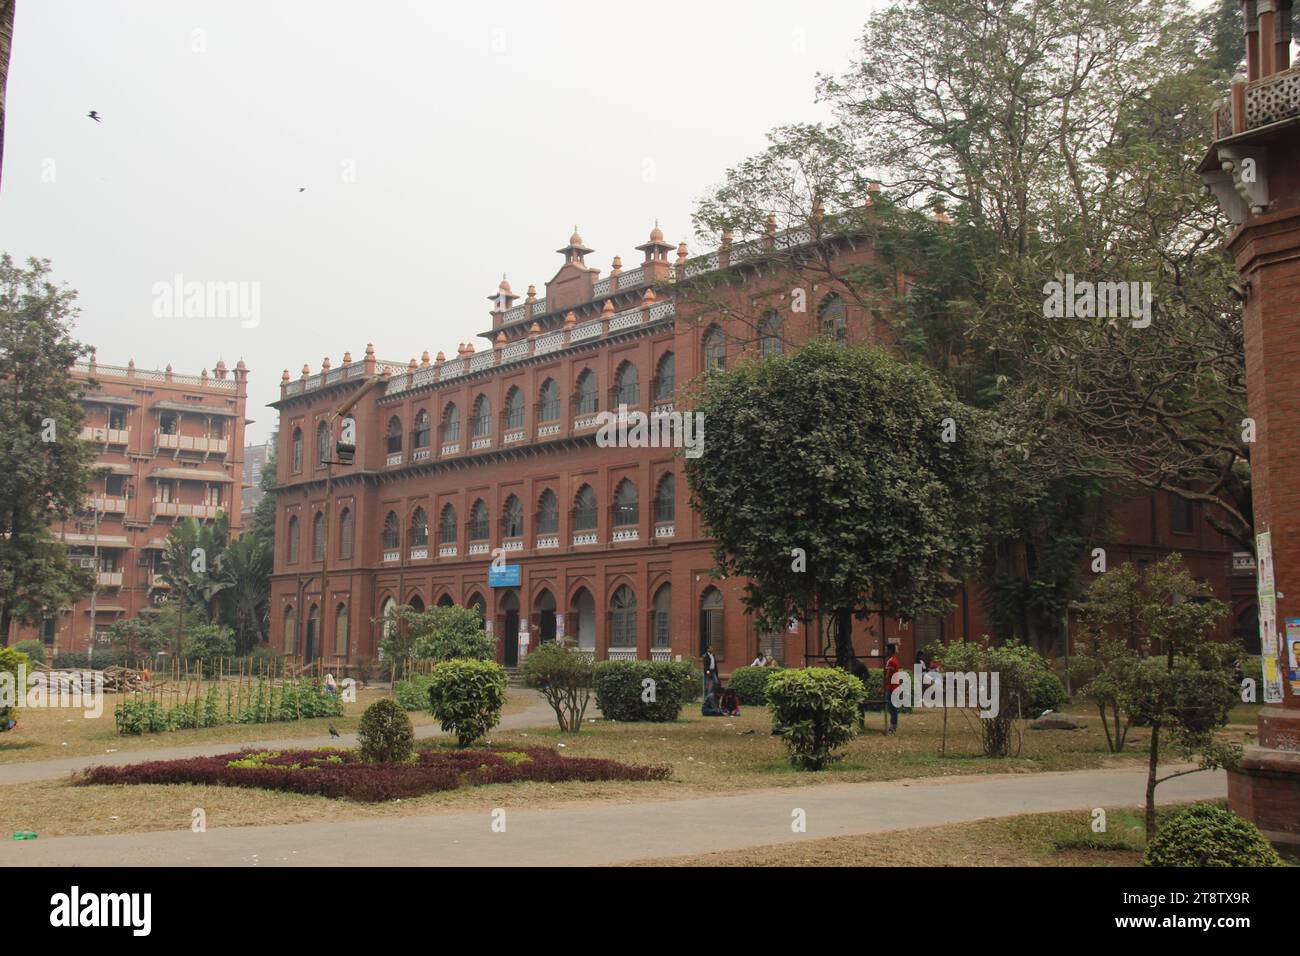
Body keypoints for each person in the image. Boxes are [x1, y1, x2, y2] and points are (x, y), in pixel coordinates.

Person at [883, 643, 902, 734]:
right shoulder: (894, 660)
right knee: (892, 708)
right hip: (893, 687)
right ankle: (893, 726)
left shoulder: (891, 661)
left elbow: (888, 675)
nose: (885, 651)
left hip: (892, 688)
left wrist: (882, 687)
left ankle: (892, 727)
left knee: (892, 708)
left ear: (891, 650)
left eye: (886, 649)